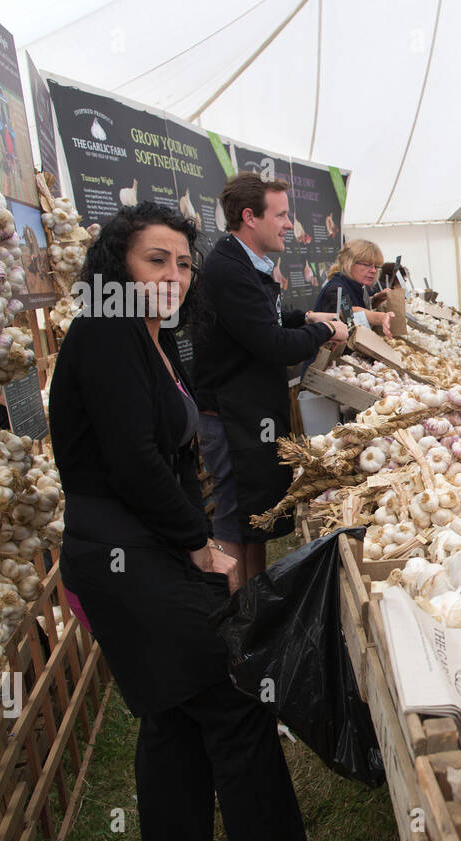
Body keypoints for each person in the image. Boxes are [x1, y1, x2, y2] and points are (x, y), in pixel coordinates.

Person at [50, 203, 309, 841]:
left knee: (172, 718)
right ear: (118, 265)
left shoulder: (151, 334)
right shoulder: (105, 330)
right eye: (156, 259)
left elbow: (167, 453)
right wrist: (200, 542)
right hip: (123, 556)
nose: (174, 274)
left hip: (140, 549)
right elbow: (134, 457)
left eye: (184, 263)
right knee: (233, 701)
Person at [195, 173, 348, 583]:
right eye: (280, 215)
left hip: (248, 410)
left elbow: (265, 319)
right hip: (231, 416)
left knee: (254, 518)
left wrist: (307, 317)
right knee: (233, 520)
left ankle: (254, 604)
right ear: (250, 217)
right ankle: (238, 619)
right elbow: (272, 343)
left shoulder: (244, 263)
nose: (287, 224)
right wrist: (325, 331)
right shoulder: (229, 270)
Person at [312, 239, 394, 335]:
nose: (373, 271)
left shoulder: (356, 286)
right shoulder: (337, 289)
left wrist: (376, 299)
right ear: (349, 263)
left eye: (376, 266)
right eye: (367, 265)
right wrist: (380, 317)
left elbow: (356, 304)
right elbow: (349, 313)